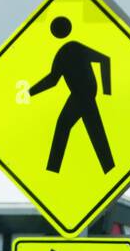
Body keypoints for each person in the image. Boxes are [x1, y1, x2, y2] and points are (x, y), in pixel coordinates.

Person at [28, 16, 114, 174]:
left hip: (83, 95)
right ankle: (109, 169)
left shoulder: (70, 49)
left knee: (65, 126)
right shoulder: (67, 50)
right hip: (83, 94)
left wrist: (107, 91)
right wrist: (30, 92)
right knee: (94, 132)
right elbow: (53, 80)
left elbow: (104, 60)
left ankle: (53, 170)